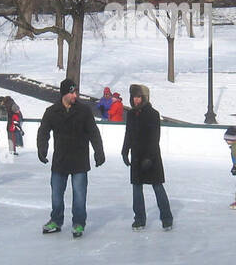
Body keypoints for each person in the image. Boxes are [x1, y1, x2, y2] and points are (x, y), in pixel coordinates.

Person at [37, 79, 105, 237]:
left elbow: (93, 132)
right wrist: (42, 148)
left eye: (76, 92)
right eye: (72, 92)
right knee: (56, 195)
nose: (75, 95)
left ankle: (79, 223)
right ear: (64, 93)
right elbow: (43, 132)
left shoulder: (84, 111)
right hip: (60, 159)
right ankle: (56, 220)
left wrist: (99, 151)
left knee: (79, 195)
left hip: (79, 160)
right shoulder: (52, 111)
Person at [121, 83, 173, 231]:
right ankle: (139, 219)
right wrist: (125, 151)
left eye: (138, 97)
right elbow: (128, 134)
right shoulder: (131, 114)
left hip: (151, 157)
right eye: (133, 97)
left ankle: (167, 218)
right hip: (136, 157)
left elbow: (154, 137)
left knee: (157, 186)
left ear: (144, 98)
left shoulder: (153, 114)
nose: (136, 100)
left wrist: (149, 158)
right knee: (136, 188)